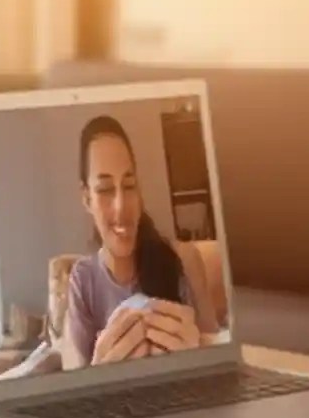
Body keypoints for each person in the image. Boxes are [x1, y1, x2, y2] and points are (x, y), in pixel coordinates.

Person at [60, 116, 219, 369]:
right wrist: (99, 374)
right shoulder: (82, 280)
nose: (121, 206)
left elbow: (221, 356)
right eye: (105, 189)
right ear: (87, 199)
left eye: (129, 185)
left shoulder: (183, 259)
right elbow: (75, 378)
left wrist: (198, 351)